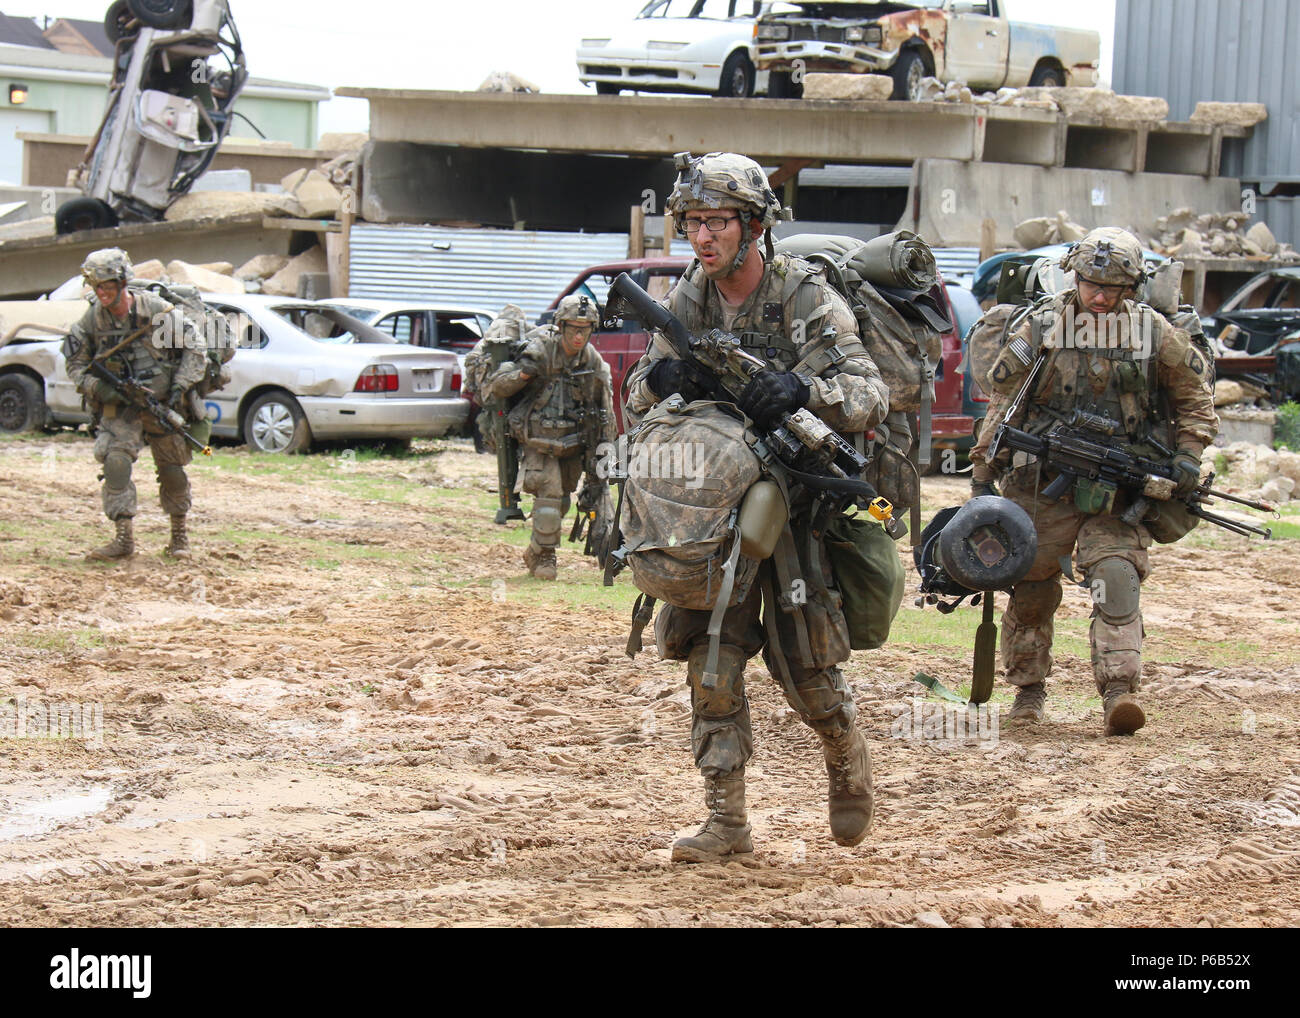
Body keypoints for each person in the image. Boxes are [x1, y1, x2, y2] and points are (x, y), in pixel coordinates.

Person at [624, 151, 890, 861]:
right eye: (693, 223)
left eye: (716, 222)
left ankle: (844, 753)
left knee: (808, 671)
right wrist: (663, 379)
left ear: (755, 225)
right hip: (712, 514)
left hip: (792, 513)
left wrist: (805, 392)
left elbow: (871, 394)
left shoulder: (802, 296)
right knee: (712, 663)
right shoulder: (690, 296)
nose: (702, 238)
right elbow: (635, 395)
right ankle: (727, 822)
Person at [969, 227, 1218, 735]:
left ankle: (1119, 693)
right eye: (1089, 283)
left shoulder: (1154, 334)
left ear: (1132, 289)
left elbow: (1195, 399)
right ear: (1074, 278)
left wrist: (1189, 456)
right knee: (1032, 587)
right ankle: (1029, 692)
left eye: (1111, 287)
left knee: (1116, 579)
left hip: (1119, 487)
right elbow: (1003, 402)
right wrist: (982, 475)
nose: (1099, 295)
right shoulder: (1042, 326)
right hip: (1041, 482)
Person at [64, 248, 206, 560]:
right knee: (116, 463)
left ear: (123, 282)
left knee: (172, 470)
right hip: (120, 407)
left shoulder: (158, 311)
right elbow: (75, 365)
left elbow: (195, 349)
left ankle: (179, 537)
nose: (102, 293)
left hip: (162, 403)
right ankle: (124, 539)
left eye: (108, 286)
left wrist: (180, 386)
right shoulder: (90, 321)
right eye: (97, 287)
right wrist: (99, 387)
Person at [483, 294, 616, 580]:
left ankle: (534, 549)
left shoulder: (593, 361)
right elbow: (497, 387)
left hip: (572, 442)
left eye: (585, 329)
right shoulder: (540, 350)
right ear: (560, 326)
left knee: (562, 500)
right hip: (537, 440)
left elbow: (603, 409)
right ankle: (545, 557)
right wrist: (523, 376)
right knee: (549, 496)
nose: (579, 336)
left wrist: (603, 451)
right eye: (573, 328)